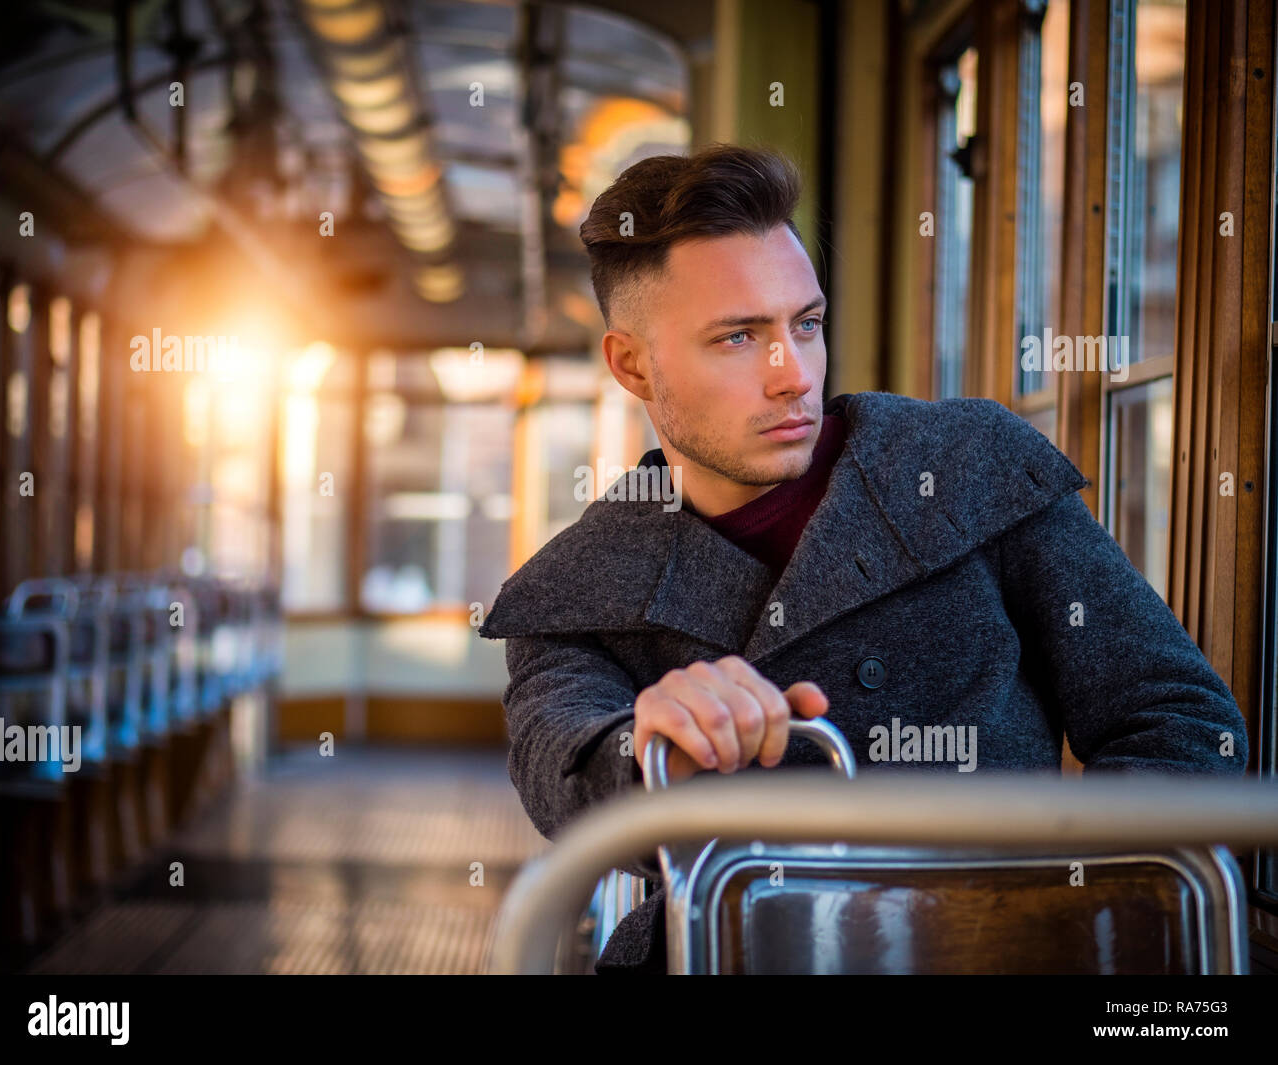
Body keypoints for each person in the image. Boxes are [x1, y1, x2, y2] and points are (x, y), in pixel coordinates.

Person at [478, 143, 1250, 974]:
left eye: (804, 325)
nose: (792, 377)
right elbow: (560, 765)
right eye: (738, 338)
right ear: (632, 364)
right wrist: (652, 749)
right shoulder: (577, 586)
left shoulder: (967, 466)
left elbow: (1181, 722)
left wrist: (1065, 914)